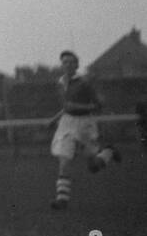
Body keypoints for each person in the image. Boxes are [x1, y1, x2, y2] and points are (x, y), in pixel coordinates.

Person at [48, 50, 120, 209]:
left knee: (93, 166)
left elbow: (98, 105)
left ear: (77, 65)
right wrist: (55, 118)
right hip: (67, 124)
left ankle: (109, 151)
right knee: (64, 160)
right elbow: (67, 106)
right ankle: (62, 200)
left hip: (84, 124)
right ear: (61, 65)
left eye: (71, 62)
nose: (67, 65)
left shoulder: (85, 83)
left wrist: (82, 106)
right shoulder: (61, 82)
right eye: (65, 62)